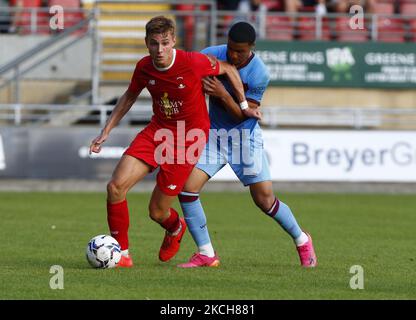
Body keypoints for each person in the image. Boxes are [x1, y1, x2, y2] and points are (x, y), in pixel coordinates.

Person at [89, 16, 259, 268]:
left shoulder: (193, 62)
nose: (160, 49)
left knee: (156, 211)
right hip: (158, 130)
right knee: (115, 187)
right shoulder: (144, 67)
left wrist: (244, 106)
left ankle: (176, 227)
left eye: (165, 43)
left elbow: (229, 69)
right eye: (154, 43)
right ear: (146, 43)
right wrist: (106, 130)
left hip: (187, 138)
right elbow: (129, 97)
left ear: (173, 42)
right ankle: (122, 254)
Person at [177, 21, 317, 268]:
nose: (233, 55)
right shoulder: (210, 55)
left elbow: (242, 115)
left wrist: (222, 93)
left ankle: (302, 239)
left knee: (264, 200)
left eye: (240, 51)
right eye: (231, 48)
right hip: (213, 137)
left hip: (244, 138)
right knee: (187, 190)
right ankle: (206, 252)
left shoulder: (259, 73)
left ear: (251, 47)